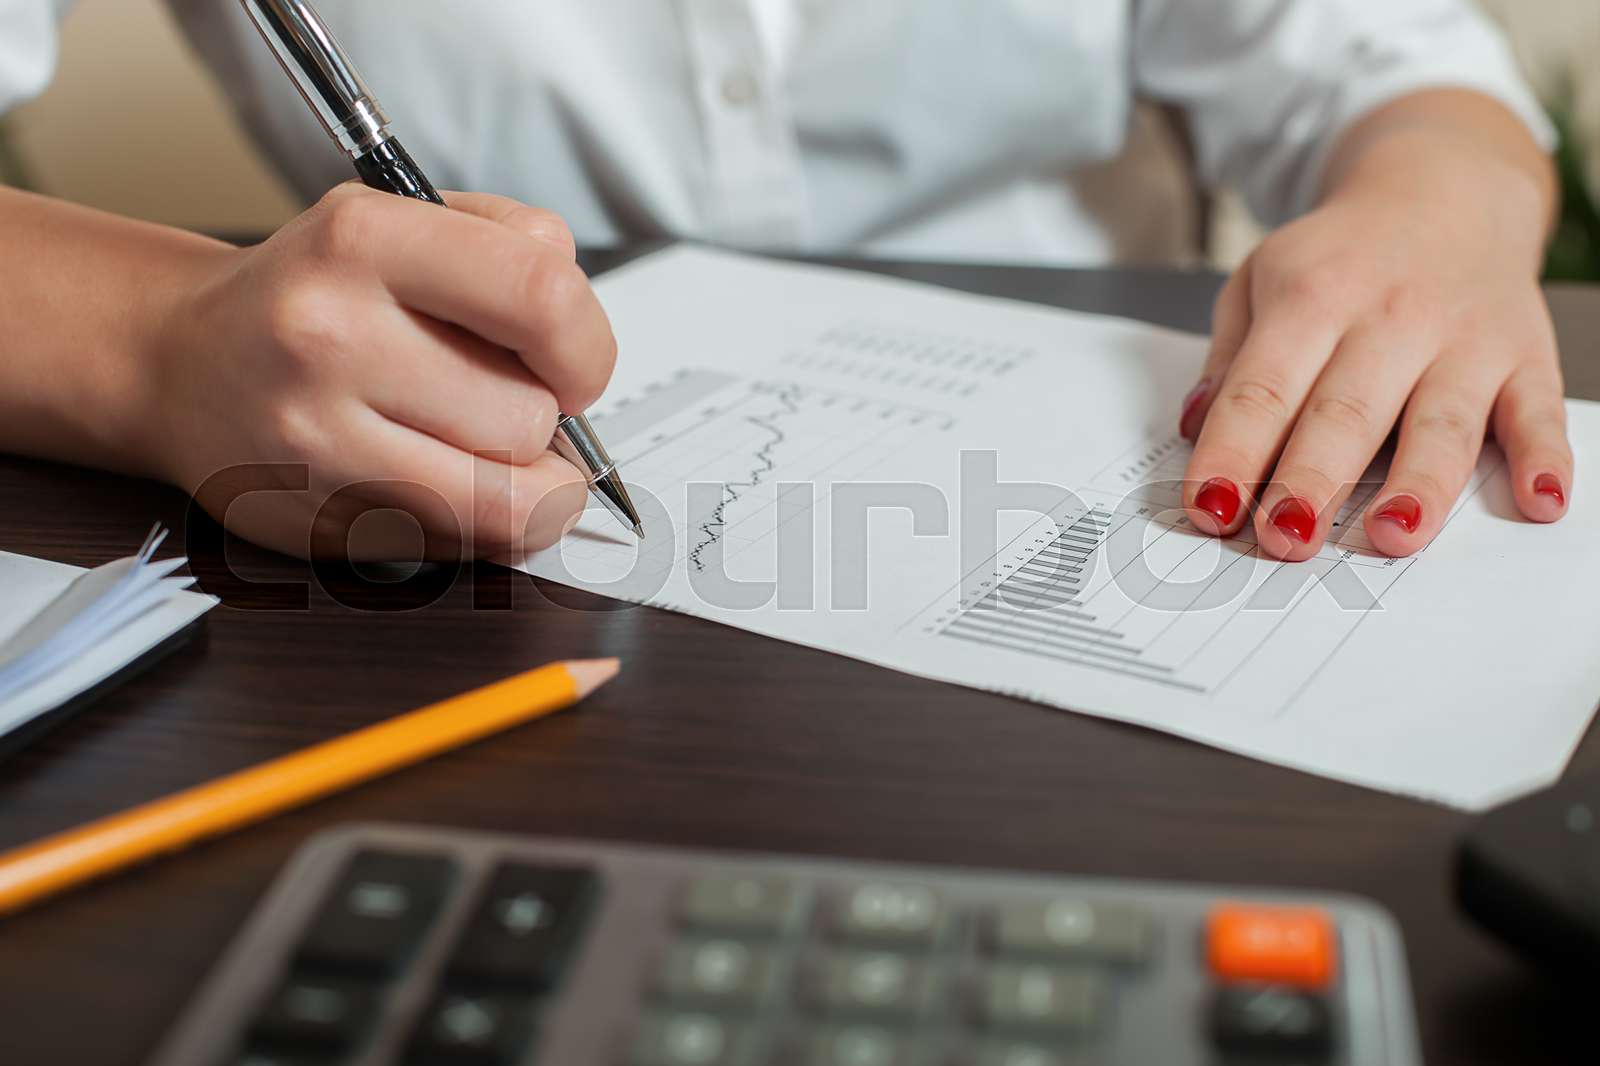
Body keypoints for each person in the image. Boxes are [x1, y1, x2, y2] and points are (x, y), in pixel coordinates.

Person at [0, 0, 1571, 563]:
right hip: (430, 489)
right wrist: (154, 345)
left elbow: (1400, 75)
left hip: (1098, 459)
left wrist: (1443, 199)